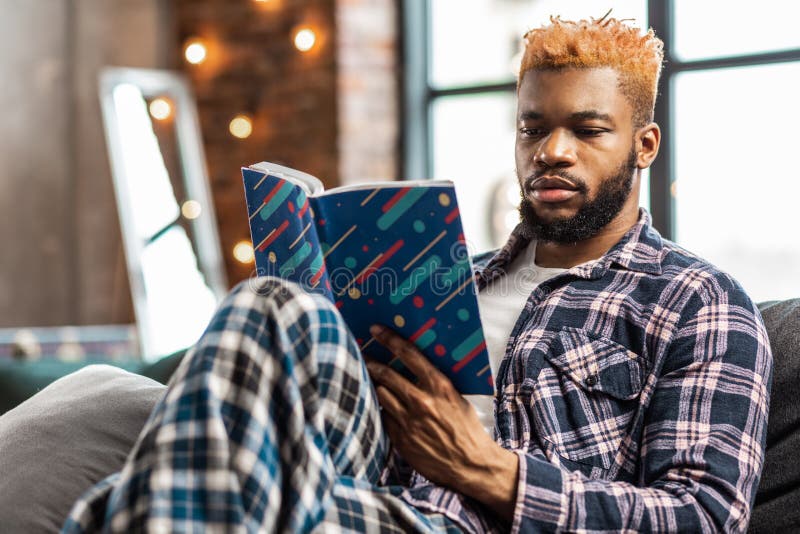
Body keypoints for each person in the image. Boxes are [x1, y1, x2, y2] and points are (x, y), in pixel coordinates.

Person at [63, 14, 772, 533]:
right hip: (359, 484)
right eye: (533, 128)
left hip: (474, 521)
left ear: (644, 145)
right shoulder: (451, 275)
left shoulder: (698, 302)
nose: (552, 151)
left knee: (202, 499)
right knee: (273, 301)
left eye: (587, 130)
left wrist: (488, 469)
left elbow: (705, 516)